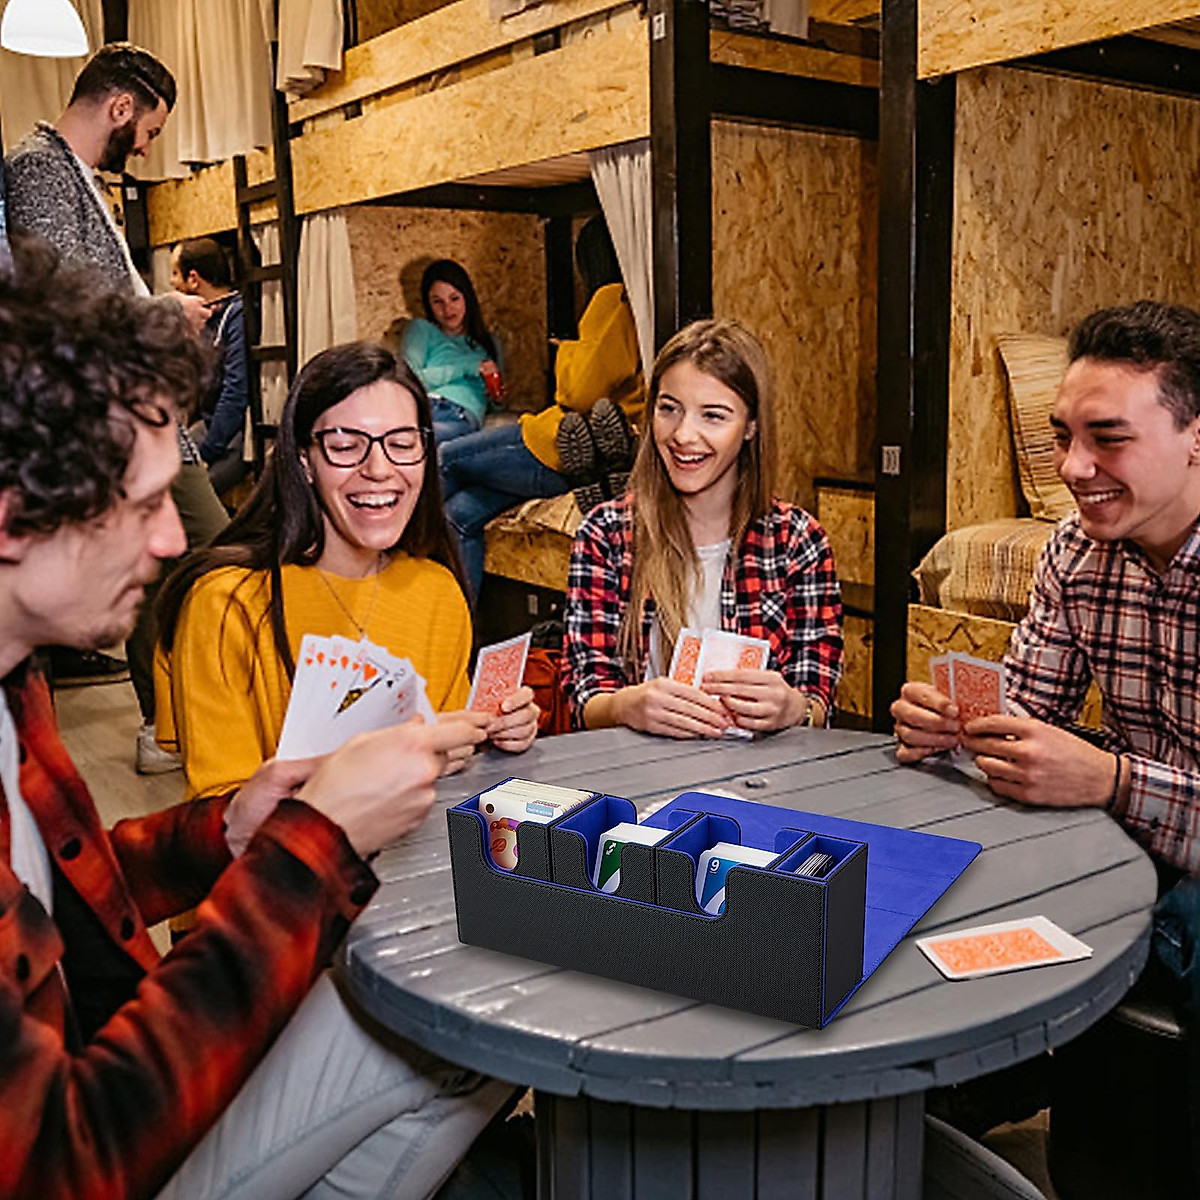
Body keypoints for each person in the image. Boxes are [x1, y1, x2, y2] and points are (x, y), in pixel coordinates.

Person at [0, 235, 512, 1200]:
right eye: (143, 502)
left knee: (479, 1029)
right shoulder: (228, 600)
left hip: (143, 1030)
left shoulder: (17, 691)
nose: (171, 537)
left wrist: (224, 829)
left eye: (404, 443)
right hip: (105, 1140)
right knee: (462, 1036)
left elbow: (68, 890)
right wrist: (310, 840)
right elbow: (60, 1164)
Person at [890, 300, 1200, 1152]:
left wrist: (1112, 780)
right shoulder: (1073, 550)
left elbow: (1107, 783)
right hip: (1134, 835)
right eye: (1064, 436)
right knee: (948, 859)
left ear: (1195, 436)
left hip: (1152, 833)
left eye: (1108, 439)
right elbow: (1023, 712)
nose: (1073, 467)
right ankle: (937, 1109)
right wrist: (954, 730)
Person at [155, 340, 540, 805]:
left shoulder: (438, 591)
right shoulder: (226, 603)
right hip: (289, 851)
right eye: (344, 447)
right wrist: (397, 762)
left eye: (402, 445)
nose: (378, 469)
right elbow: (222, 816)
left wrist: (493, 732)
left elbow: (449, 764)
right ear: (304, 460)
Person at [3, 42, 228, 770]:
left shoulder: (73, 176)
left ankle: (169, 721)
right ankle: (165, 722)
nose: (147, 146)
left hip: (130, 416)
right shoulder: (39, 168)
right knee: (208, 553)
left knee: (189, 559)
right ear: (121, 106)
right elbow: (60, 302)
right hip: (102, 420)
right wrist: (164, 311)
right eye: (150, 130)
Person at [563, 318, 843, 737]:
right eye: (668, 409)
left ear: (751, 427)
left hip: (762, 771)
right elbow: (584, 698)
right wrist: (626, 706)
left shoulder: (797, 540)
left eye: (713, 416)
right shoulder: (605, 533)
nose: (683, 435)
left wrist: (794, 709)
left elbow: (818, 700)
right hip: (637, 768)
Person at [440, 215, 643, 599]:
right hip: (588, 445)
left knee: (445, 458)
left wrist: (565, 351)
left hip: (557, 444)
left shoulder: (613, 299)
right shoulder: (646, 305)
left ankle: (387, 574)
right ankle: (459, 624)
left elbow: (578, 391)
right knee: (459, 514)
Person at [172, 236, 250, 496]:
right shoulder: (201, 320)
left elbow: (236, 391)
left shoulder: (236, 315)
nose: (172, 282)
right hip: (208, 425)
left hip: (236, 433)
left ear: (193, 279)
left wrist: (206, 453)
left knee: (188, 495)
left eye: (175, 273)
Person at [400, 259, 503, 443]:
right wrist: (468, 367)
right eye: (437, 302)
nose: (447, 309)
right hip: (425, 407)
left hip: (461, 414)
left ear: (467, 297)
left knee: (417, 443)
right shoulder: (421, 329)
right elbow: (409, 382)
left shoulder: (489, 344)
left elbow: (495, 406)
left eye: (454, 298)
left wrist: (497, 397)